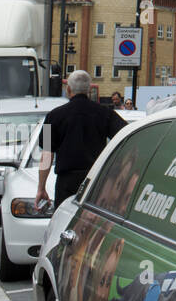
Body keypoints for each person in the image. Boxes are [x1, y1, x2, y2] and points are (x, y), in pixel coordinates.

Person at [36, 70, 127, 208]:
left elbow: (47, 154)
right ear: (89, 89)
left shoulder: (52, 117)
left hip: (66, 182)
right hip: (95, 180)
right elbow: (125, 136)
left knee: (65, 220)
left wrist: (41, 188)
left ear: (68, 89)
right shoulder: (106, 113)